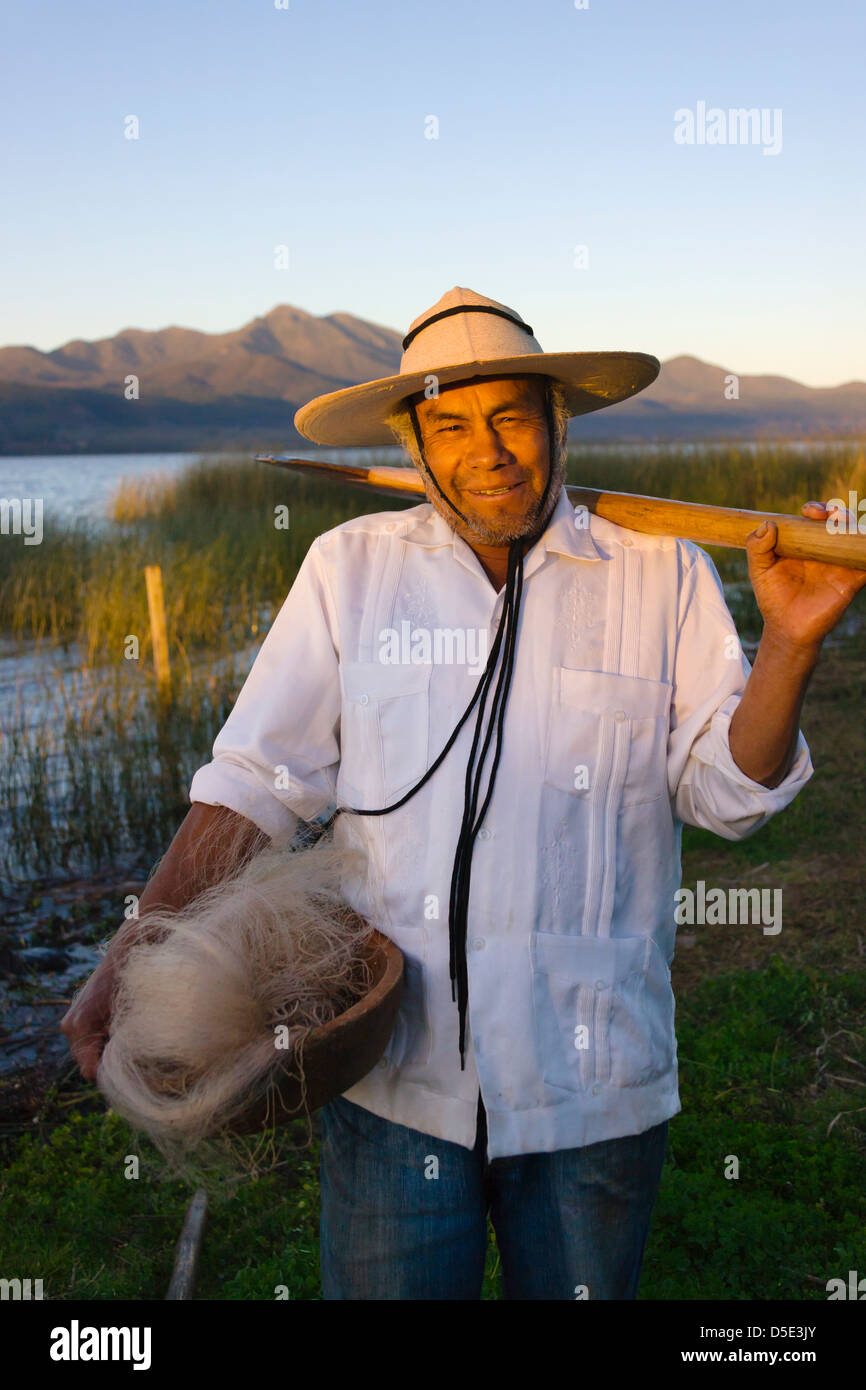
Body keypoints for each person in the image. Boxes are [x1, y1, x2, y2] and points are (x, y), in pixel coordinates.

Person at [62, 286, 866, 1300]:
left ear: (554, 420)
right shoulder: (347, 571)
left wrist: (789, 644)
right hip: (396, 1086)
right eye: (448, 425)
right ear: (415, 443)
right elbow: (254, 785)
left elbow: (726, 794)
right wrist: (127, 961)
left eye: (508, 417)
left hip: (592, 1091)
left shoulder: (658, 573)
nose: (484, 451)